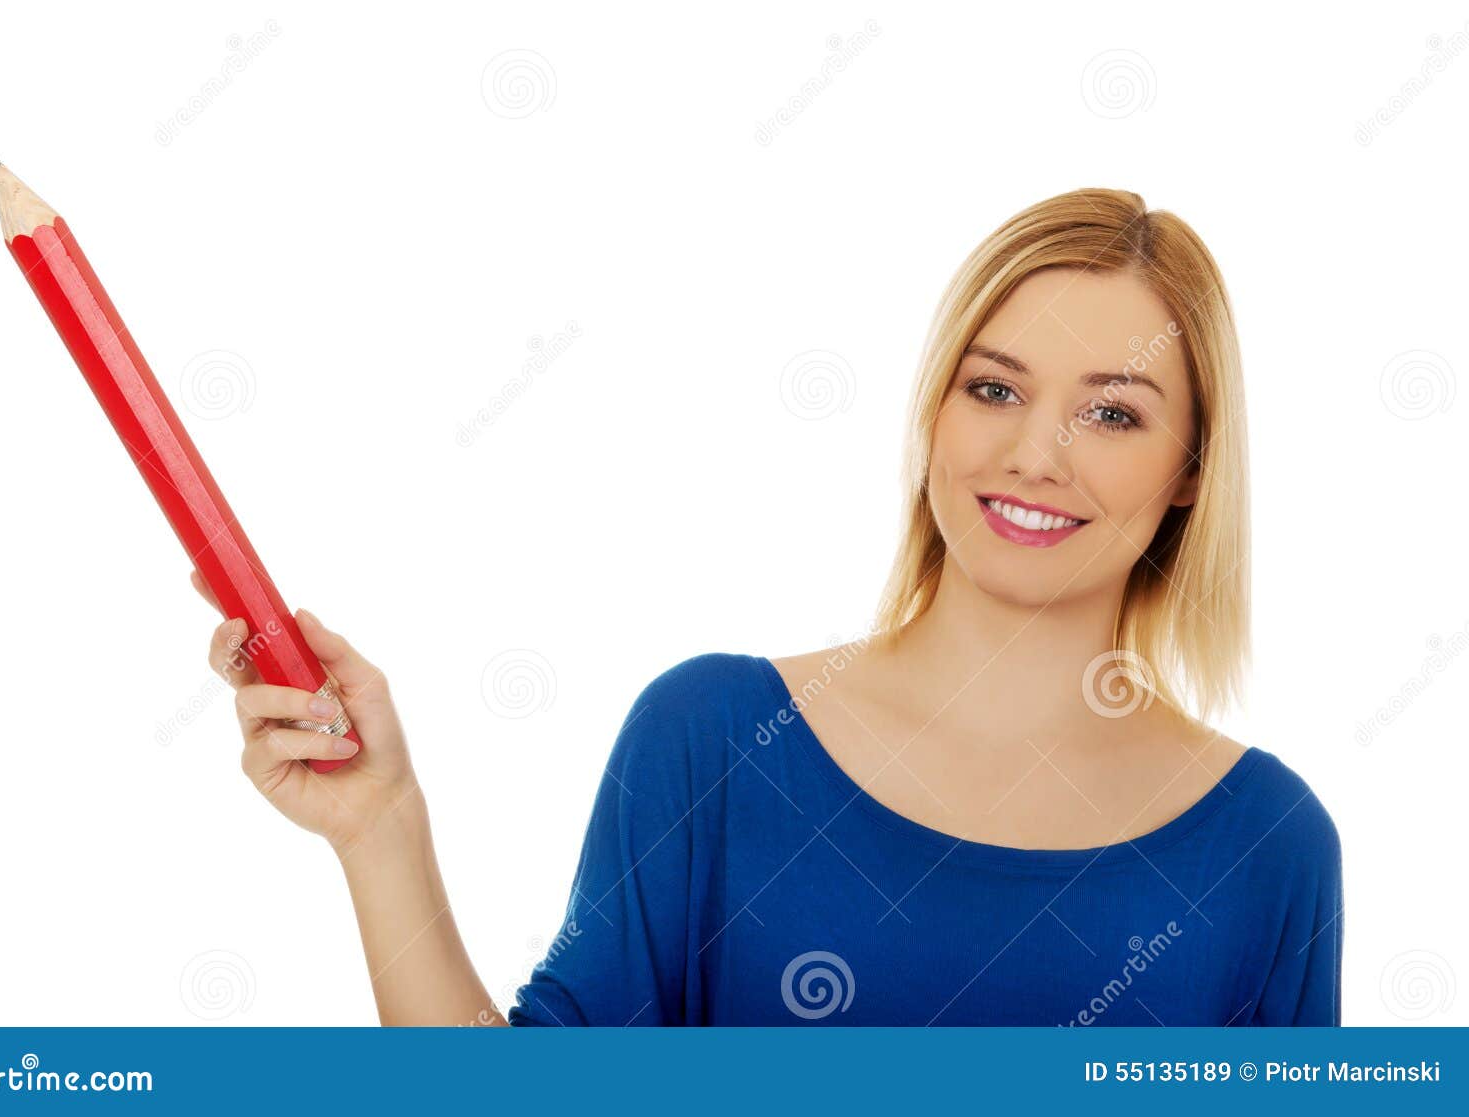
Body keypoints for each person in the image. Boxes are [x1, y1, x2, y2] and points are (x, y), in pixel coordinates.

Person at [193, 188, 1342, 1026]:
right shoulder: (718, 740)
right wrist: (381, 829)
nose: (1034, 453)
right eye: (993, 387)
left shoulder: (1269, 849)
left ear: (1193, 465)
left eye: (1112, 413)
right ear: (935, 409)